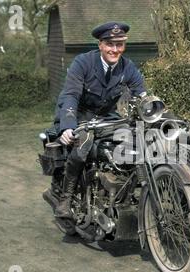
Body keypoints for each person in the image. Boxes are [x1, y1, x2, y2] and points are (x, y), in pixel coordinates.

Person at [51, 21, 147, 218]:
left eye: (119, 45)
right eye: (110, 44)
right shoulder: (83, 62)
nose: (115, 50)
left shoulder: (127, 67)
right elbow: (71, 95)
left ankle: (122, 190)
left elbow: (142, 94)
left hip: (107, 118)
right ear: (100, 45)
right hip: (79, 115)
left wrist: (153, 109)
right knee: (82, 145)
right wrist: (68, 127)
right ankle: (66, 199)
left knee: (138, 141)